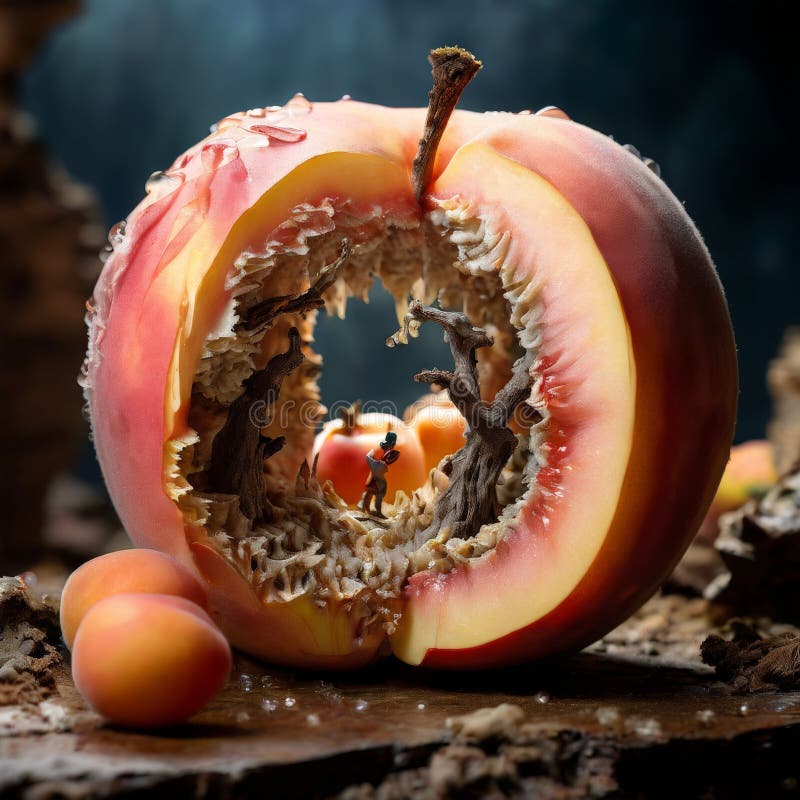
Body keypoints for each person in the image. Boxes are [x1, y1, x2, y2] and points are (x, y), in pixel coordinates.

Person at [361, 431, 400, 518]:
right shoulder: (376, 462)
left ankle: (370, 510)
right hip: (376, 479)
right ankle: (365, 509)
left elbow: (368, 457)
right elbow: (368, 457)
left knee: (377, 494)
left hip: (378, 479)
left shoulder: (379, 461)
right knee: (371, 493)